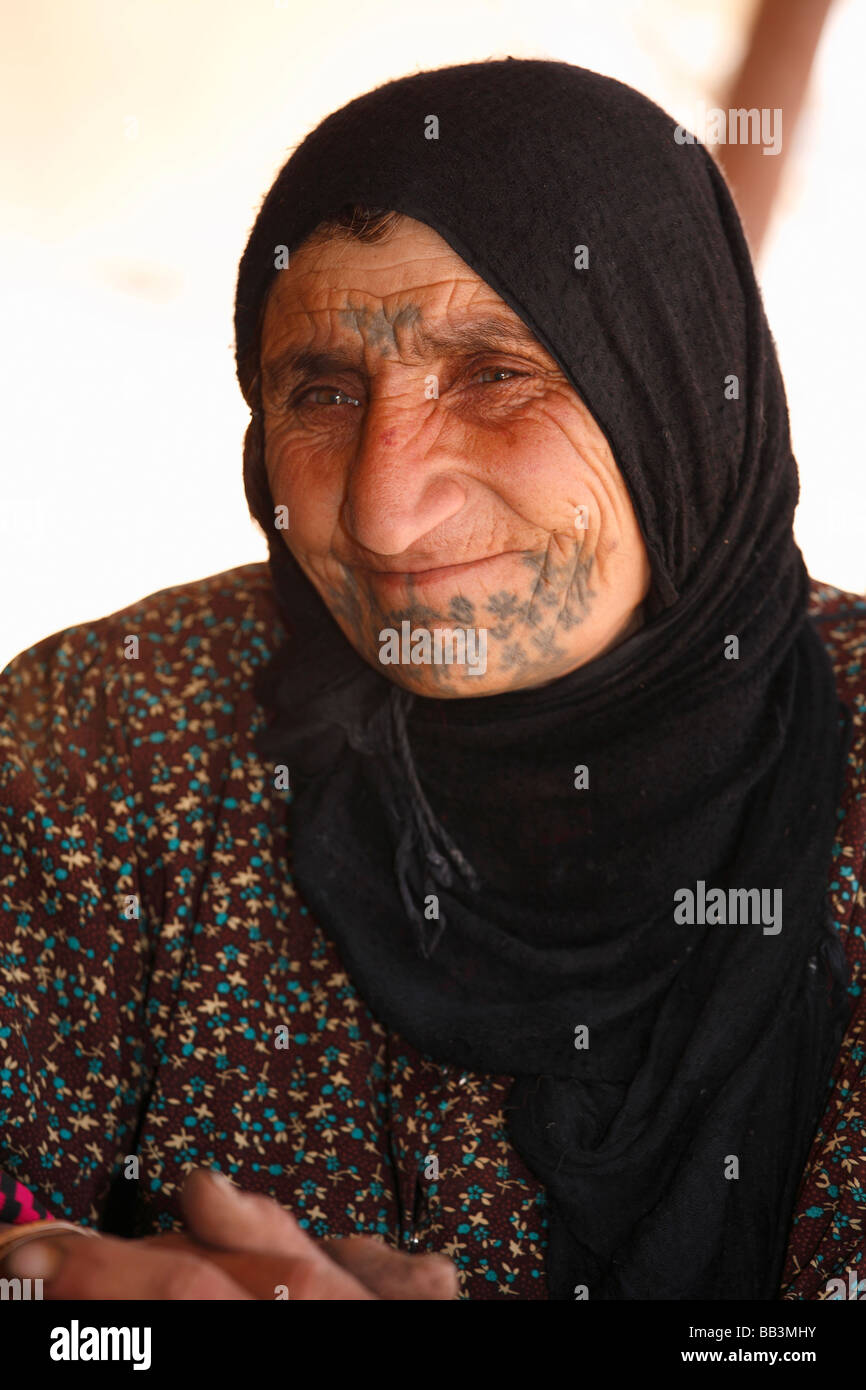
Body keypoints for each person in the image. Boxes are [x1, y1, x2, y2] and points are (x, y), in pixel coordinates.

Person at [1, 57, 864, 1302]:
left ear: (673, 392)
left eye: (496, 375)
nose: (383, 510)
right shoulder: (112, 731)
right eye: (324, 391)